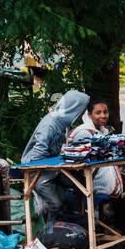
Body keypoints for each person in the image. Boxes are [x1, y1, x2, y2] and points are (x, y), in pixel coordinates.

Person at [22, 90, 90, 221]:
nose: (82, 113)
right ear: (73, 108)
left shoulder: (63, 123)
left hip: (53, 168)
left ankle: (72, 220)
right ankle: (50, 232)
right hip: (36, 171)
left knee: (80, 184)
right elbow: (36, 156)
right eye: (81, 109)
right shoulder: (49, 125)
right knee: (55, 204)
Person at [67, 98, 124, 198]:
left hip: (104, 175)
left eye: (105, 112)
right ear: (89, 115)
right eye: (98, 113)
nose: (103, 116)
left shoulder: (103, 131)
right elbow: (84, 163)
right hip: (92, 180)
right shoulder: (84, 133)